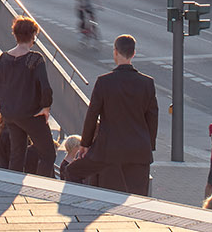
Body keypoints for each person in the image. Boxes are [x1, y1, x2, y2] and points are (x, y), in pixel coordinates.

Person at [66, 35, 158, 196]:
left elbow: (92, 115)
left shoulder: (104, 82)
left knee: (73, 171)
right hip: (138, 150)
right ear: (133, 53)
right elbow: (152, 118)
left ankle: (81, 205)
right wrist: (148, 145)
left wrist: (85, 144)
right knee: (137, 194)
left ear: (115, 52)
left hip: (108, 150)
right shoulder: (147, 83)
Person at [0, 15, 57, 176]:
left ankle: (13, 184)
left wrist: (2, 97)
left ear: (15, 35)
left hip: (10, 113)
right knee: (48, 154)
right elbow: (45, 87)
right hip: (30, 113)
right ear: (33, 36)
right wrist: (46, 106)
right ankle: (40, 186)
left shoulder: (4, 58)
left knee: (17, 154)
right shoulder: (35, 59)